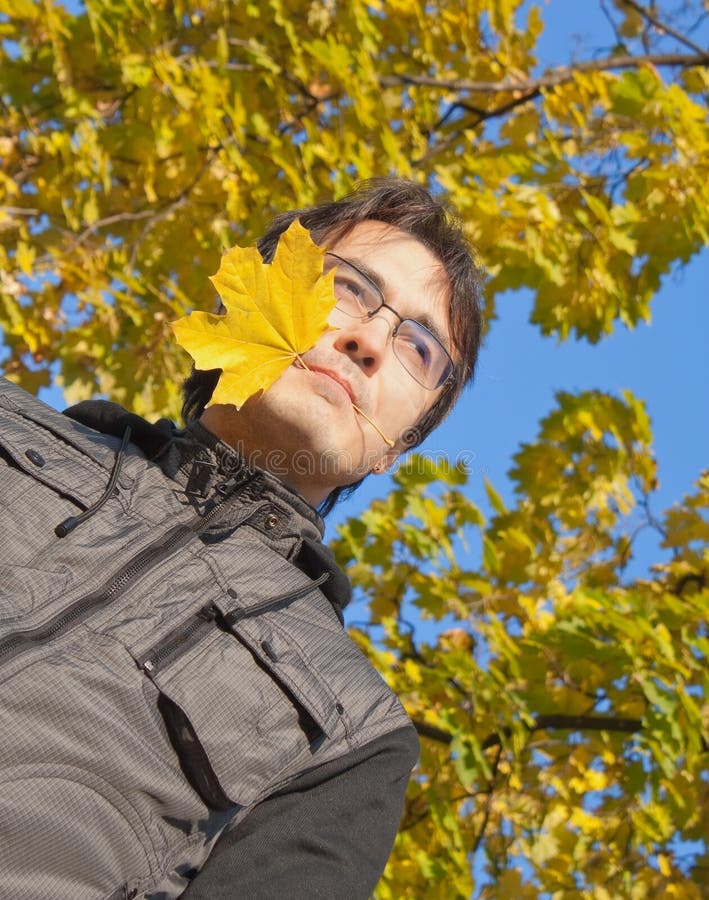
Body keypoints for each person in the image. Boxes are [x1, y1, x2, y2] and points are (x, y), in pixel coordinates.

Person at [0, 178, 483, 899]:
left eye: (418, 346)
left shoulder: (355, 736)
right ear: (246, 299)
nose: (367, 341)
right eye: (348, 288)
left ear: (395, 449)